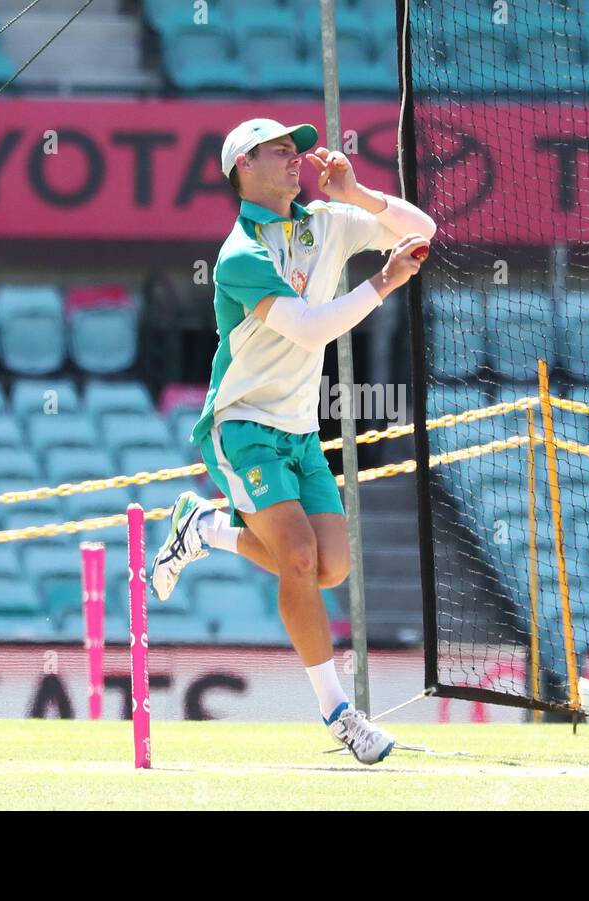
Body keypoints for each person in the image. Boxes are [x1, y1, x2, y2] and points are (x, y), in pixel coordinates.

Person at [151, 118, 436, 763]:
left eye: (297, 150)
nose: (297, 159)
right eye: (282, 151)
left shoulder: (326, 222)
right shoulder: (240, 254)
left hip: (301, 432)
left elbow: (423, 230)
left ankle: (207, 530)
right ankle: (339, 713)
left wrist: (359, 195)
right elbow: (309, 331)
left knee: (330, 565)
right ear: (243, 166)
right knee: (302, 558)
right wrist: (383, 283)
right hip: (244, 424)